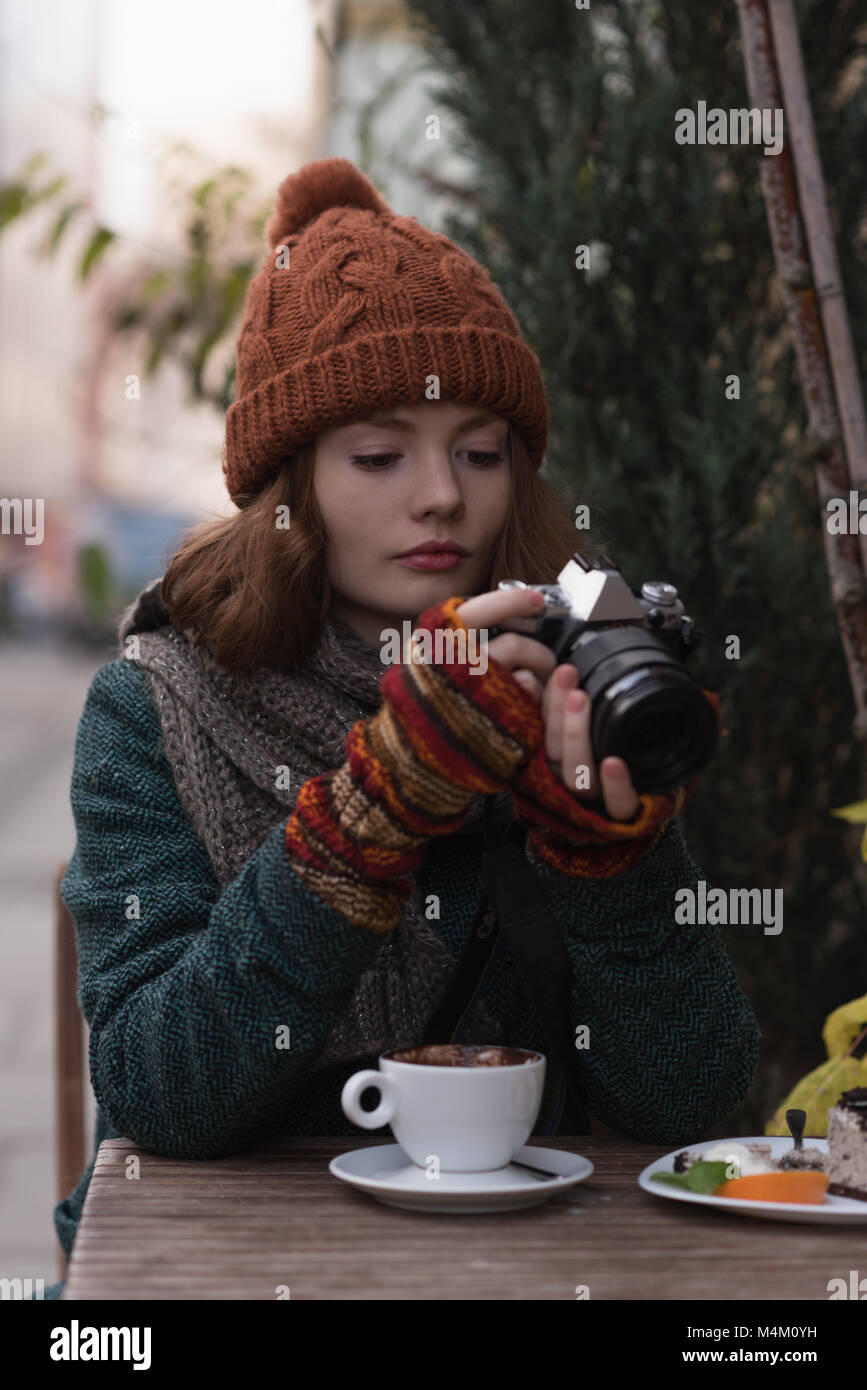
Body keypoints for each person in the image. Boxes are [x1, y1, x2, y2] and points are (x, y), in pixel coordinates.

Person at [42, 157, 759, 1298]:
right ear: (293, 482)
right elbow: (161, 1096)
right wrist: (371, 810)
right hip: (211, 1263)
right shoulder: (157, 702)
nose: (442, 495)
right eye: (380, 455)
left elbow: (697, 1107)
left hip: (527, 1264)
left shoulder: (564, 672)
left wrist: (610, 862)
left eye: (481, 452)